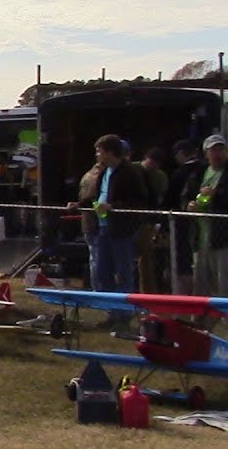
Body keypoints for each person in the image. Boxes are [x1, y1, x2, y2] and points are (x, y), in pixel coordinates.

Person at [69, 134, 148, 326]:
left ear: (110, 152)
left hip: (122, 230)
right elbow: (97, 196)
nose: (97, 155)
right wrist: (79, 204)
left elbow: (140, 200)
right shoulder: (105, 172)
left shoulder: (130, 173)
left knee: (123, 273)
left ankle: (125, 315)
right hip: (103, 229)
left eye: (100, 151)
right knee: (101, 272)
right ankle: (111, 313)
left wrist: (114, 206)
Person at [185, 134, 228, 296]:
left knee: (223, 282)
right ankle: (201, 319)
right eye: (213, 150)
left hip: (223, 238)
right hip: (200, 237)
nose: (217, 154)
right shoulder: (198, 173)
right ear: (206, 153)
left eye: (221, 149)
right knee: (201, 285)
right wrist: (188, 205)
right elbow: (186, 195)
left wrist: (215, 195)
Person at [166, 139, 201, 294]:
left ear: (180, 154)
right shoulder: (205, 169)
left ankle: (184, 295)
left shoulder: (179, 174)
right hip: (203, 224)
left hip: (181, 224)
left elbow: (170, 200)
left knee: (183, 262)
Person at [136, 148, 169, 293]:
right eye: (152, 162)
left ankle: (148, 291)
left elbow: (160, 198)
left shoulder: (160, 176)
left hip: (148, 221)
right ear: (145, 158)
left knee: (146, 258)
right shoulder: (133, 169)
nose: (153, 166)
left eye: (157, 163)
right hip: (130, 219)